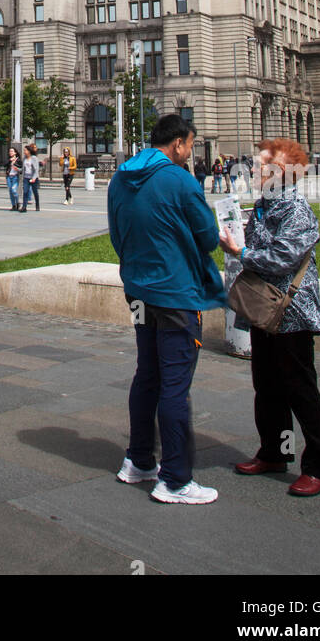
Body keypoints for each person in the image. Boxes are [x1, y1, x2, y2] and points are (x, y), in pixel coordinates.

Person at [108, 114, 226, 505]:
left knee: (148, 374)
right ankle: (174, 479)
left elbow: (117, 232)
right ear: (177, 144)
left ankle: (139, 460)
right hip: (175, 294)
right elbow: (208, 237)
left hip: (139, 293)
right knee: (176, 384)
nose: (190, 152)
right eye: (190, 145)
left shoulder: (121, 177)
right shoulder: (179, 179)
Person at [219, 137, 320, 497]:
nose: (253, 169)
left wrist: (239, 251)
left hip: (292, 313)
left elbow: (281, 259)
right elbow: (258, 249)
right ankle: (275, 451)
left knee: (301, 391)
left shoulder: (296, 211)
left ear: (279, 171)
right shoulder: (264, 206)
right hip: (263, 309)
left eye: (259, 165)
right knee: (267, 387)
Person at [21, 144, 40, 212]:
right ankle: (24, 207)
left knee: (35, 192)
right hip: (26, 177)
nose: (24, 151)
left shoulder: (34, 158)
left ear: (29, 151)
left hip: (33, 178)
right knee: (25, 192)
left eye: (25, 150)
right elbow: (23, 169)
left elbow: (36, 169)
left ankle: (37, 205)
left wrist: (34, 178)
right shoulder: (24, 159)